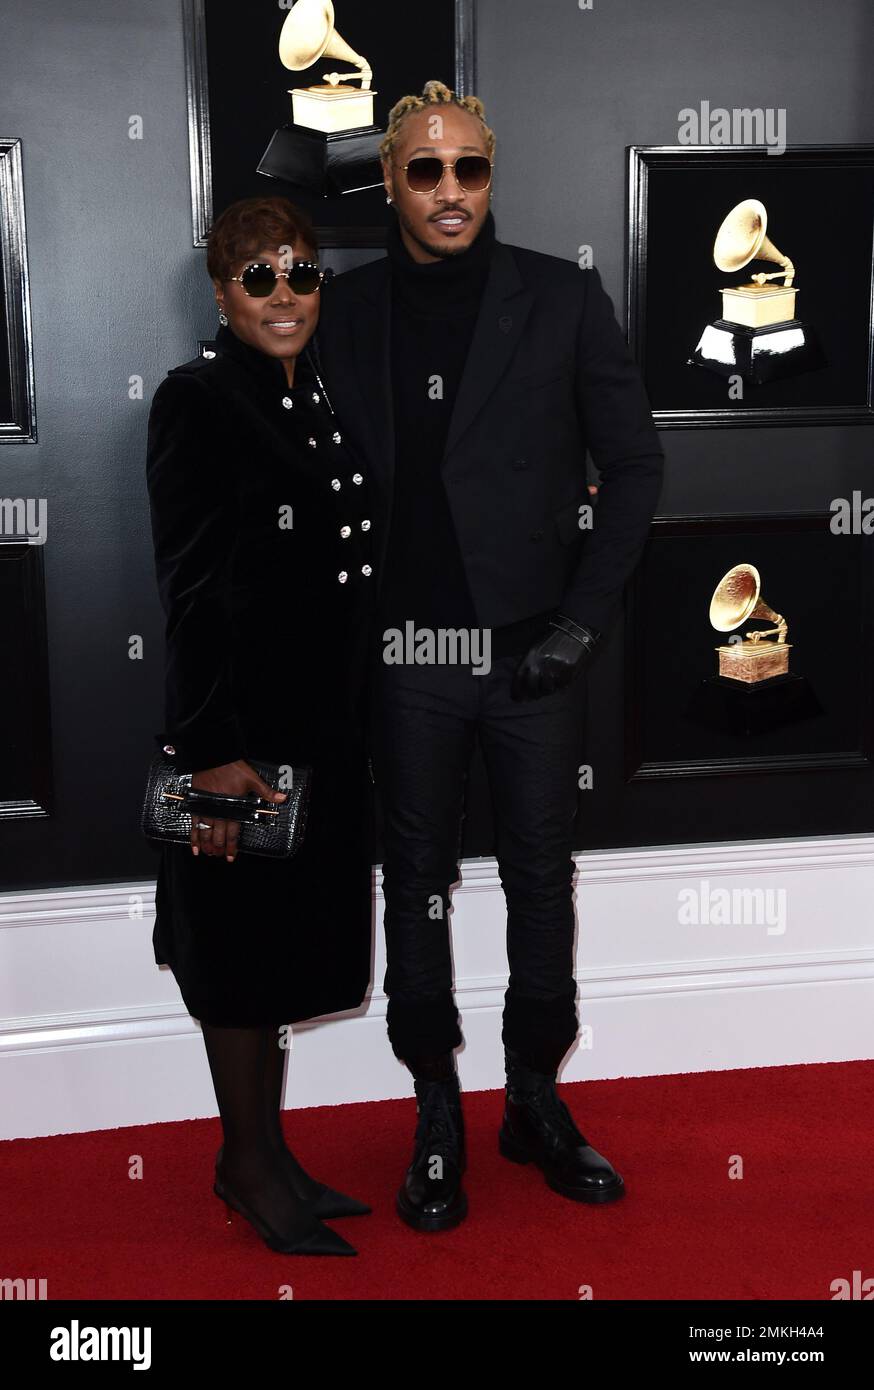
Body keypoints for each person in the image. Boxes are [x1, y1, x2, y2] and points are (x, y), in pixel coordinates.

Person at [317, 81, 665, 1231]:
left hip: (530, 656)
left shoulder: (563, 301)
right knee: (413, 889)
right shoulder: (346, 311)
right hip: (407, 656)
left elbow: (635, 467)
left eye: (470, 169)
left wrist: (579, 621)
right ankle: (433, 1110)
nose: (451, 190)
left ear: (489, 177)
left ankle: (531, 1100)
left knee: (540, 883)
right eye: (426, 170)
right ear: (390, 182)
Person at [145, 196, 375, 1256]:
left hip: (319, 722)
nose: (284, 292)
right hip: (240, 732)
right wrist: (210, 752)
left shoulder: (315, 396)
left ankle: (271, 1153)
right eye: (258, 276)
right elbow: (190, 589)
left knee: (282, 940)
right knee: (237, 948)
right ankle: (243, 1162)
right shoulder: (198, 399)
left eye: (301, 273)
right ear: (222, 291)